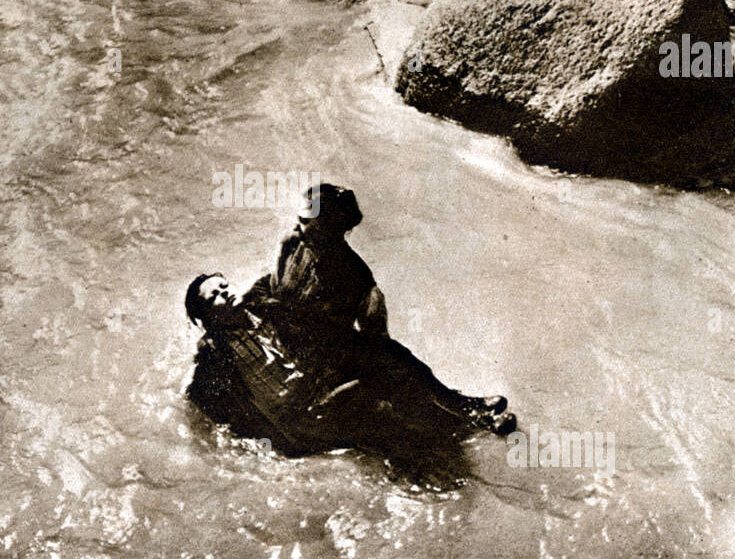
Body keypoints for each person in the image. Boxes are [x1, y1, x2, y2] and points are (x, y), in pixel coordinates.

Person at [184, 270, 515, 489]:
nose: (225, 294)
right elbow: (197, 399)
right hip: (305, 418)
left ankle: (461, 408)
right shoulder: (215, 354)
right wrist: (252, 445)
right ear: (204, 319)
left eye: (224, 286)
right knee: (374, 393)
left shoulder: (263, 309)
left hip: (321, 388)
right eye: (213, 296)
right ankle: (460, 426)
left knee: (386, 353)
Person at [245, 184, 388, 336]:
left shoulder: (360, 280)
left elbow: (377, 340)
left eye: (304, 220)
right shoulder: (292, 245)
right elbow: (269, 286)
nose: (296, 227)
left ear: (329, 224)